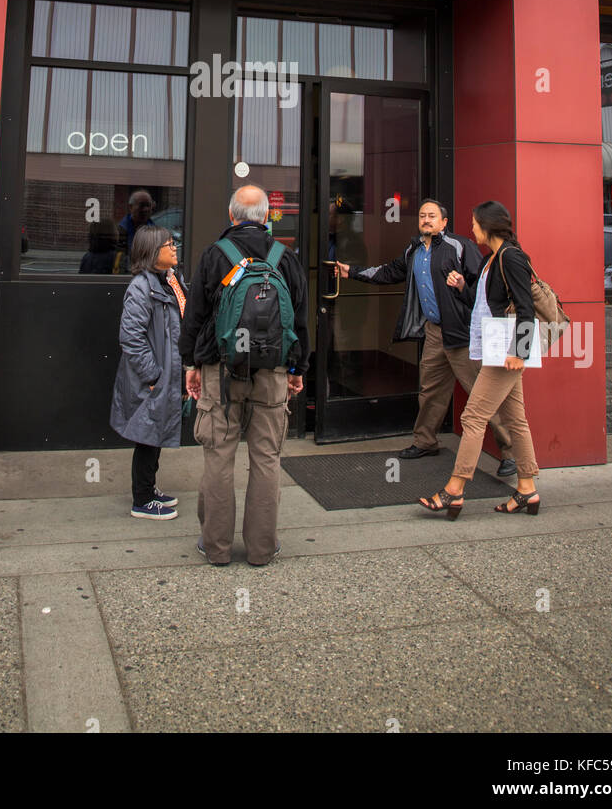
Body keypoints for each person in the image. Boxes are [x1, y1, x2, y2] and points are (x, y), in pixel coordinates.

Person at [335, 199, 517, 476]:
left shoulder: (460, 246)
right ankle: (425, 441)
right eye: (422, 216)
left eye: (432, 216)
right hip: (434, 332)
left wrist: (462, 289)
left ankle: (510, 453)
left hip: (464, 334)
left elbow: (483, 285)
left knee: (483, 396)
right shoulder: (414, 249)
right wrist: (352, 272)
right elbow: (389, 272)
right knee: (430, 391)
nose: (426, 220)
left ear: (444, 222)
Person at [180, 185, 309, 566]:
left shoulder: (214, 255)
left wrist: (191, 365)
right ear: (267, 217)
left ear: (232, 215)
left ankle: (216, 548)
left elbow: (196, 316)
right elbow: (299, 320)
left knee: (219, 457)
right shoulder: (285, 257)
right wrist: (297, 370)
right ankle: (261, 550)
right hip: (271, 372)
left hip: (220, 370)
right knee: (267, 458)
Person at [419, 200, 541, 520]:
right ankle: (527, 489)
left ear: (488, 226)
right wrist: (462, 286)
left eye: (474, 224)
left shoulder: (512, 257)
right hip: (496, 347)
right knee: (516, 419)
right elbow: (484, 304)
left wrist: (520, 352)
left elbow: (525, 307)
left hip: (505, 352)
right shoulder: (492, 259)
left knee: (473, 417)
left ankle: (454, 489)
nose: (472, 229)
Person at [110, 224, 187, 519]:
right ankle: (141, 500)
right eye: (169, 244)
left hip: (167, 373)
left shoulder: (171, 280)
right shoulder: (141, 288)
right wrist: (153, 376)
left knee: (155, 434)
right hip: (153, 377)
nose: (175, 247)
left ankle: (149, 488)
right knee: (147, 435)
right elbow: (131, 338)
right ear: (153, 251)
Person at [117, 190, 156, 269]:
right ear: (130, 207)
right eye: (142, 205)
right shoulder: (121, 230)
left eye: (148, 205)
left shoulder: (155, 231)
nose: (145, 209)